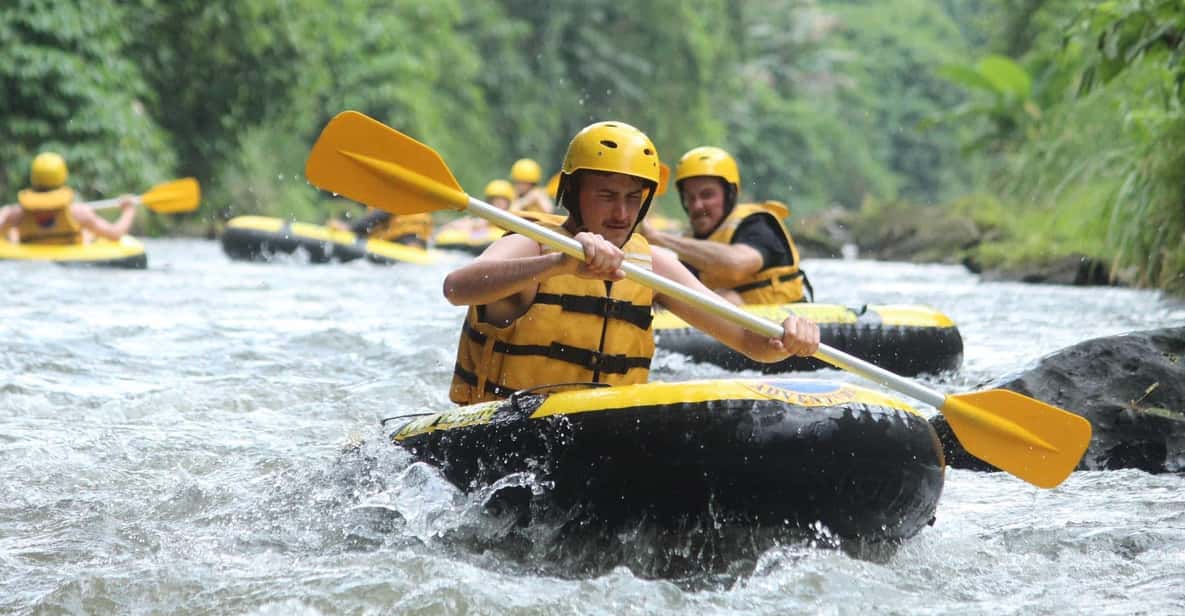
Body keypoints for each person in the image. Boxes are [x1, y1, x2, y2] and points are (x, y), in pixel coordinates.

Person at [442, 122, 820, 405]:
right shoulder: (534, 245)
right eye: (606, 195)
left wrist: (787, 340)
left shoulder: (651, 264)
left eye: (632, 196)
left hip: (604, 430)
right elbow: (457, 287)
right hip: (509, 433)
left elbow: (750, 342)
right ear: (573, 193)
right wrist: (559, 263)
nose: (622, 213)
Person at [640, 146, 812, 305]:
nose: (697, 205)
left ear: (730, 194)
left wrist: (657, 238)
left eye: (707, 195)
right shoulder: (691, 243)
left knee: (728, 297)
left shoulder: (758, 224)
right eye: (690, 197)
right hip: (723, 327)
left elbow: (736, 265)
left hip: (786, 320)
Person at [0, 152, 136, 244]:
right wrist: (129, 210)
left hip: (29, 256)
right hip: (71, 257)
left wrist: (4, 213)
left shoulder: (17, 214)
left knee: (10, 227)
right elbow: (115, 234)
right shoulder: (79, 213)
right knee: (88, 233)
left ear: (33, 178)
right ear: (63, 177)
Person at [436, 179, 515, 237]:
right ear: (489, 202)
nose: (498, 203)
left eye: (502, 200)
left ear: (508, 203)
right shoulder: (484, 221)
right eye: (494, 199)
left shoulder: (514, 219)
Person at [327, 208, 433, 248]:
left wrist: (349, 229)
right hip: (419, 243)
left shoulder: (389, 198)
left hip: (401, 242)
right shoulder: (416, 198)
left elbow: (373, 220)